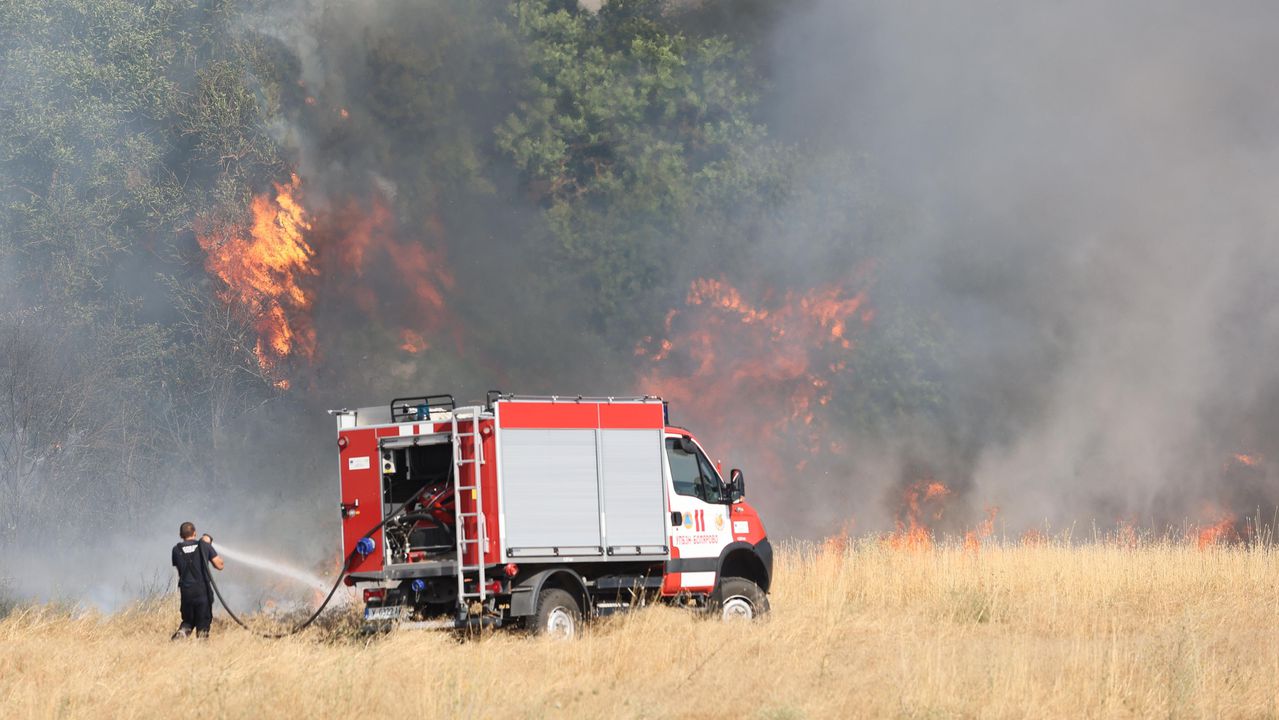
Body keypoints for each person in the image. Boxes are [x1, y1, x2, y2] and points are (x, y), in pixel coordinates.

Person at [171, 522, 224, 639]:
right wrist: (208, 544)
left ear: (180, 535)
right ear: (195, 533)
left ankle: (182, 634)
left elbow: (181, 564)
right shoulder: (204, 545)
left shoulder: (176, 550)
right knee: (203, 625)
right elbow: (219, 565)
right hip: (202, 592)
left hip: (186, 593)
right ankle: (201, 650)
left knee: (188, 622)